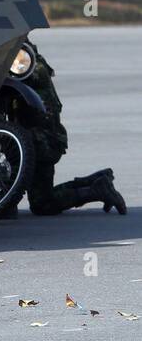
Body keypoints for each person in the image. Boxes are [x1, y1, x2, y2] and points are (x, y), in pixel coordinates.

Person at [22, 43, 126, 216]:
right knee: (41, 196)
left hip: (42, 141)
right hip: (36, 138)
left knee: (42, 204)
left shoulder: (30, 67)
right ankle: (96, 181)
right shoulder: (30, 61)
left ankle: (95, 191)